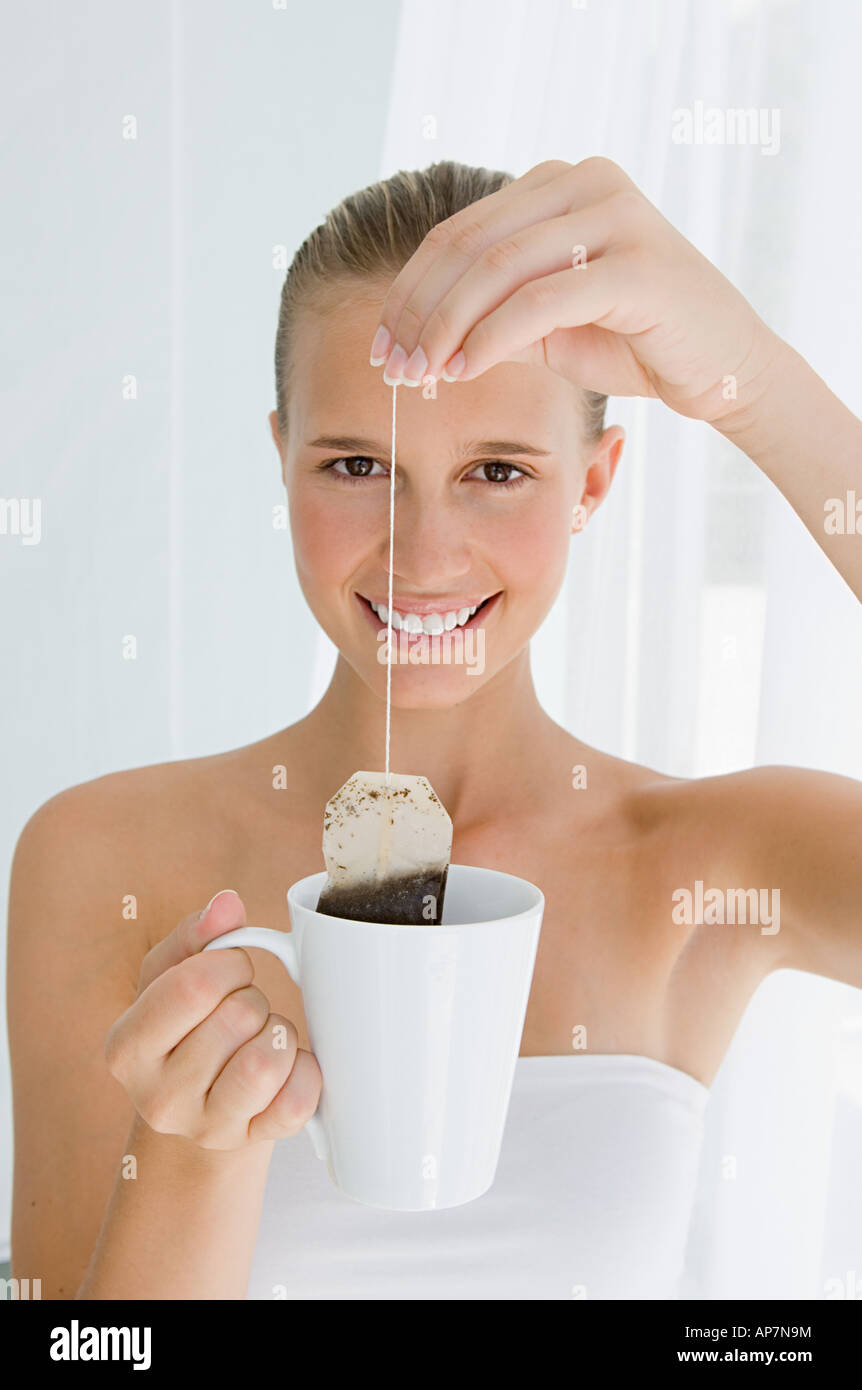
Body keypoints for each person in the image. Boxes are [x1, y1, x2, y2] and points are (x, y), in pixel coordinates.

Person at [7, 158, 862, 1300]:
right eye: (358, 465)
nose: (424, 551)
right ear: (280, 457)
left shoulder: (714, 861)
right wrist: (190, 1161)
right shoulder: (99, 855)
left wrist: (751, 383)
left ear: (593, 485)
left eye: (499, 470)